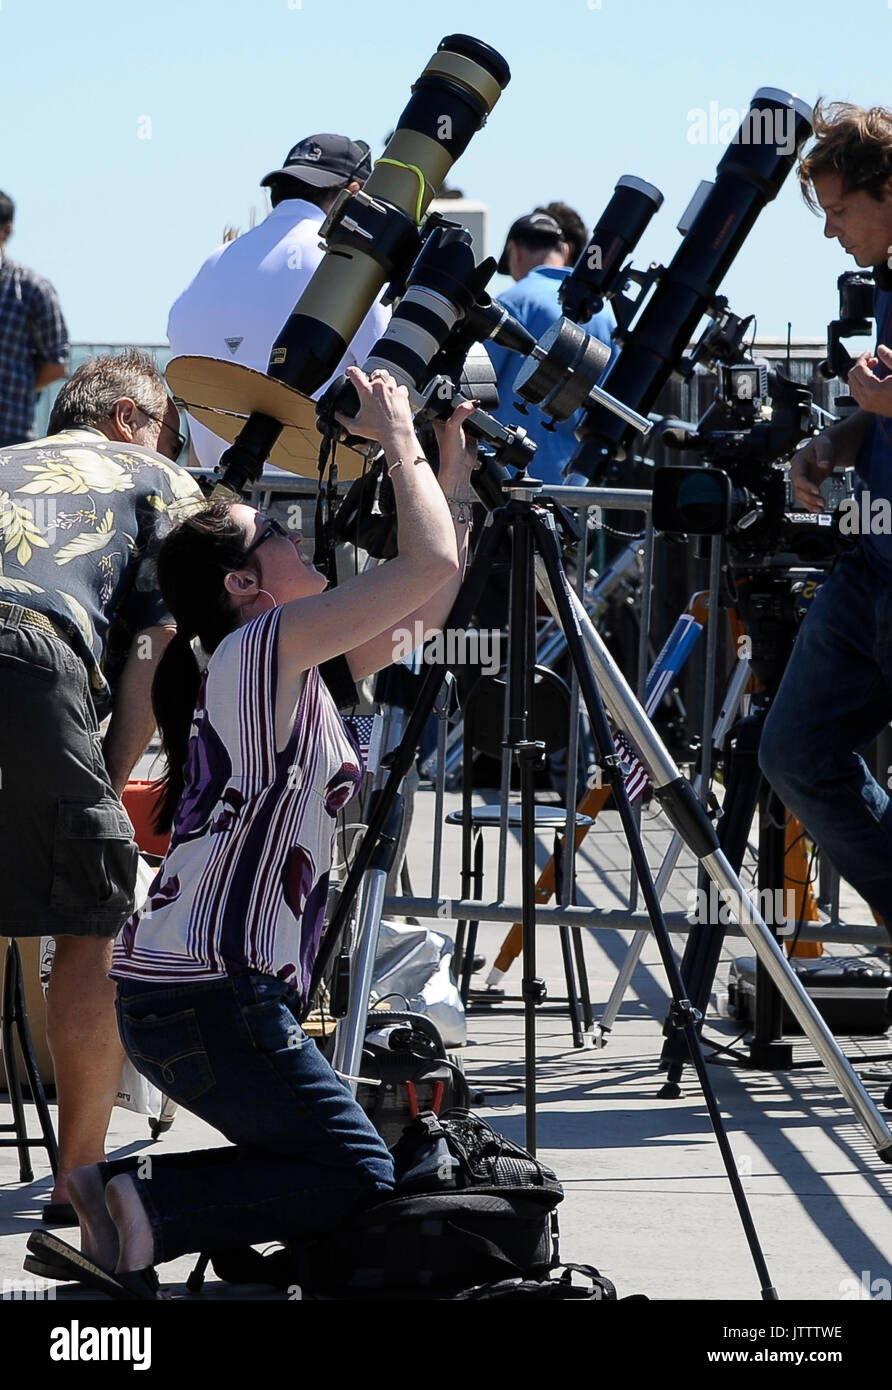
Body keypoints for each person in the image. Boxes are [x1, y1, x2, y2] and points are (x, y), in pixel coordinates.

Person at [31, 368, 478, 1297]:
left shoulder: (295, 665)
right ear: (243, 584)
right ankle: (124, 1208)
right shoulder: (255, 652)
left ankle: (109, 1205)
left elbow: (429, 600)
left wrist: (449, 464)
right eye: (272, 535)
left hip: (204, 993)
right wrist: (394, 437)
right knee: (356, 1172)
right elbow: (423, 567)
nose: (295, 533)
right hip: (208, 995)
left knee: (345, 1168)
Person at [0, 350, 203, 1222]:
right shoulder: (157, 475)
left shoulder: (6, 459)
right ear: (129, 417)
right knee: (90, 921)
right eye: (172, 428)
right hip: (26, 648)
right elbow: (155, 653)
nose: (178, 447)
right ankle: (75, 1182)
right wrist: (109, 791)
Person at [759, 100, 892, 933]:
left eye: (841, 209)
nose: (830, 230)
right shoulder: (885, 283)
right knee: (794, 753)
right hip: (871, 568)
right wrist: (833, 442)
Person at [167, 133, 389, 472]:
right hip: (319, 504)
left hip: (220, 502)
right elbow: (394, 388)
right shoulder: (347, 266)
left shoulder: (211, 265)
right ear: (356, 194)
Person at [485, 209, 616, 486]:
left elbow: (477, 384)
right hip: (579, 483)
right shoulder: (605, 313)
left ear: (515, 252)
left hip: (507, 484)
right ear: (566, 250)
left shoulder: (511, 302)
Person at [0, 191, 69, 446]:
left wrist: (14, 391)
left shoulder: (31, 289)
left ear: (5, 231)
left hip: (10, 435)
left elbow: (56, 363)